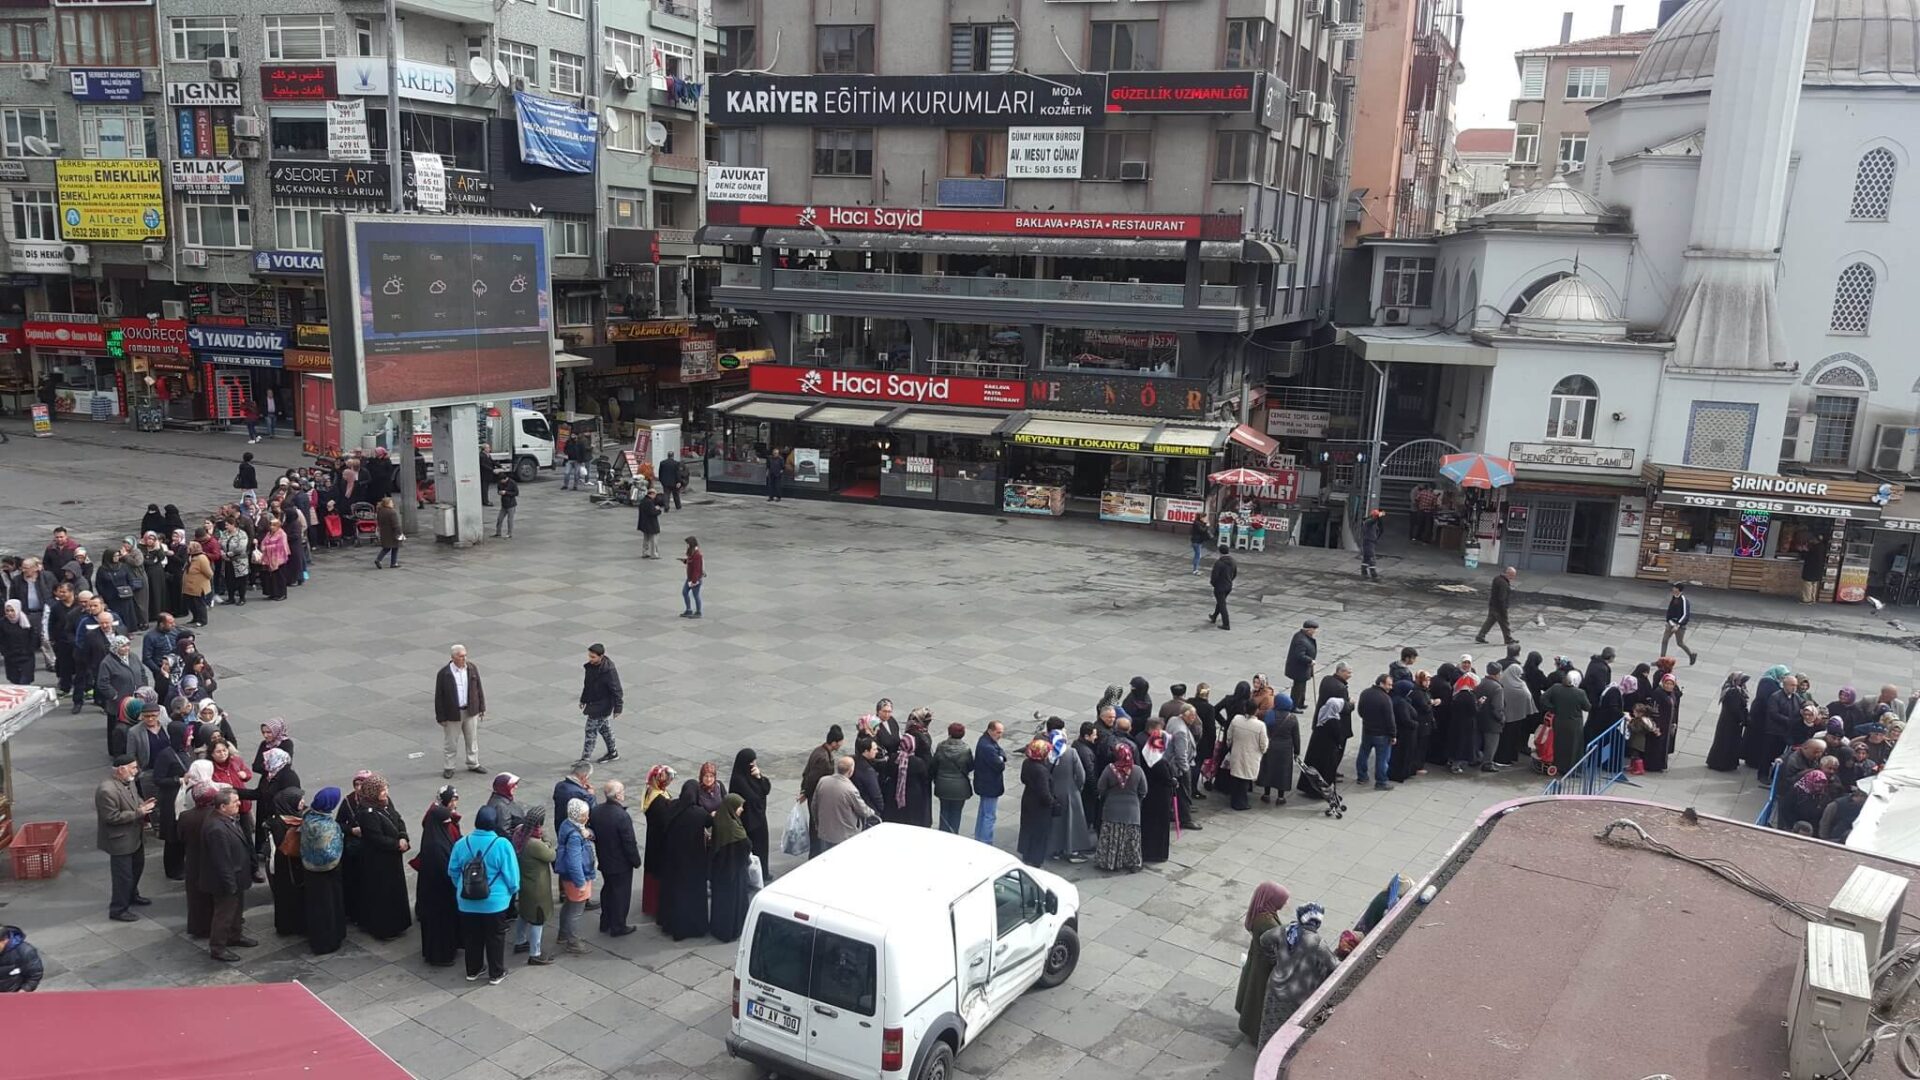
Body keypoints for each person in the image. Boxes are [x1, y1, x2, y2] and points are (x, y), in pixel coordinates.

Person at [448, 805, 519, 984]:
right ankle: (496, 973)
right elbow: (512, 876)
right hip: (495, 903)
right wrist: (511, 892)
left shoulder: (462, 843)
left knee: (472, 937)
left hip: (466, 901)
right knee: (495, 937)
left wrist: (462, 887)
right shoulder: (502, 844)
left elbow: (452, 870)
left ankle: (473, 970)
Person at [1258, 904, 1338, 1048]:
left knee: (1270, 1029)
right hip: (1298, 996)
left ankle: (1263, 1055)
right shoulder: (1317, 942)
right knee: (1288, 1034)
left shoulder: (1285, 930)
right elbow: (1335, 966)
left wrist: (1273, 958)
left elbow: (1264, 939)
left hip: (1275, 990)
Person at [354, 775, 412, 941]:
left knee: (395, 890)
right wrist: (396, 844)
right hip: (379, 860)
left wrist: (403, 836)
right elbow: (375, 838)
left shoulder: (385, 802)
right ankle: (385, 928)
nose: (386, 792)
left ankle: (399, 923)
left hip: (392, 857)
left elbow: (398, 818)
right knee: (383, 894)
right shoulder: (367, 813)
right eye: (382, 790)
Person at [96, 755, 152, 922]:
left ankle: (132, 895)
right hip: (120, 840)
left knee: (137, 868)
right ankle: (118, 909)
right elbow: (111, 817)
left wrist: (142, 804)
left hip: (135, 837)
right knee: (123, 877)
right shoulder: (106, 791)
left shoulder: (129, 781)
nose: (136, 771)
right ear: (121, 769)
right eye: (133, 767)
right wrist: (138, 813)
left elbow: (135, 798)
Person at [203, 789, 256, 961]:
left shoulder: (228, 819)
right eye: (235, 802)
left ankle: (235, 935)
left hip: (238, 875)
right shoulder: (216, 828)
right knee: (224, 914)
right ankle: (218, 948)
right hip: (226, 880)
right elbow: (222, 860)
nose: (239, 803)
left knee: (236, 910)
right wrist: (230, 884)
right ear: (223, 807)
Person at [1236, 882, 1293, 1042]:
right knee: (1259, 998)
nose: (1284, 904)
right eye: (1282, 900)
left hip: (1258, 962)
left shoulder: (1261, 914)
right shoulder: (1266, 922)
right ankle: (1256, 1033)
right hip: (1264, 968)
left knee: (1253, 994)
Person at [588, 781, 642, 938]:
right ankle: (618, 926)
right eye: (622, 790)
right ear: (618, 795)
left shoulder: (596, 811)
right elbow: (629, 842)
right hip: (620, 864)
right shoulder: (622, 816)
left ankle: (605, 921)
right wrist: (636, 861)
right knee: (621, 895)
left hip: (605, 860)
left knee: (608, 891)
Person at [660, 780, 712, 942]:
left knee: (676, 894)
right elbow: (709, 822)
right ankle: (694, 927)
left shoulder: (673, 806)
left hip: (674, 859)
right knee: (693, 895)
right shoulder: (699, 813)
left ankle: (674, 926)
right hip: (694, 860)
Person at [415, 786, 461, 966]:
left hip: (434, 893)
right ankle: (441, 956)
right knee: (440, 926)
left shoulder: (433, 838)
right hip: (439, 894)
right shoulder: (436, 846)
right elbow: (444, 869)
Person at [511, 807, 555, 965]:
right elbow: (551, 855)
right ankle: (535, 954)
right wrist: (547, 840)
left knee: (524, 914)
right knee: (538, 919)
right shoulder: (534, 844)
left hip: (524, 883)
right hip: (537, 887)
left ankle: (520, 941)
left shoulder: (519, 833)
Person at [434, 644, 486, 779]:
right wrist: (441, 717)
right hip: (453, 713)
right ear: (453, 657)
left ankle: (473, 763)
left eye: (465, 655)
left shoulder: (471, 668)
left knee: (472, 739)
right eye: (461, 656)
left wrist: (481, 707)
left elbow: (478, 688)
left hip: (470, 710)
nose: (464, 658)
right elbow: (439, 697)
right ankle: (449, 767)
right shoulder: (444, 673)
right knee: (451, 742)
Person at [1095, 741, 1147, 872]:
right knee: (1132, 838)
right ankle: (1133, 863)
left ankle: (1109, 862)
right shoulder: (1138, 770)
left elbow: (1100, 788)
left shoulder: (1109, 769)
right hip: (1132, 810)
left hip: (1112, 809)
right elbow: (1143, 790)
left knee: (1111, 837)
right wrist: (1137, 800)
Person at [264, 785, 307, 938]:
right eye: (299, 800)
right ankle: (289, 925)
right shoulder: (279, 824)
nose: (303, 802)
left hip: (293, 864)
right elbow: (284, 846)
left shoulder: (296, 816)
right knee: (287, 895)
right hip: (286, 864)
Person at [1046, 720, 1091, 862]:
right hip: (1070, 791)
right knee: (1073, 822)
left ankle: (1055, 850)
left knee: (1056, 823)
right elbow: (1081, 775)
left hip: (1053, 792)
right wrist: (1077, 788)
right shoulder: (1071, 752)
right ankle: (1072, 851)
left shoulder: (1047, 754)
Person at [815, 756, 880, 853]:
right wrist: (872, 812)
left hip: (825, 832)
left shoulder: (822, 781)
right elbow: (863, 810)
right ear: (850, 771)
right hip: (844, 835)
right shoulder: (850, 789)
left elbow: (814, 805)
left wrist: (818, 824)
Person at [710, 794, 752, 943]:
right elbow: (746, 845)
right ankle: (732, 930)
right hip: (735, 872)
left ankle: (719, 929)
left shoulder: (719, 819)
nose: (741, 810)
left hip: (720, 870)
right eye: (739, 807)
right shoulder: (734, 828)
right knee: (733, 902)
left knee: (721, 902)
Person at [556, 798, 595, 954]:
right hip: (577, 878)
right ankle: (573, 942)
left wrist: (588, 833)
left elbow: (589, 833)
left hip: (568, 877)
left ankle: (563, 934)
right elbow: (574, 862)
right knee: (576, 911)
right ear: (577, 816)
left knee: (569, 905)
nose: (587, 817)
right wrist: (581, 883)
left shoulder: (568, 824)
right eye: (584, 815)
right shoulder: (574, 836)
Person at [800, 726, 844, 856]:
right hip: (817, 797)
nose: (841, 744)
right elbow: (812, 779)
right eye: (840, 742)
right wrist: (805, 793)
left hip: (814, 794)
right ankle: (815, 854)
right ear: (834, 743)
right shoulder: (823, 759)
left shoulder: (819, 751)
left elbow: (806, 773)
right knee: (817, 827)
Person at [639, 767, 675, 916]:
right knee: (658, 872)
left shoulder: (650, 792)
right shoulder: (659, 801)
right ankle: (656, 906)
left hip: (653, 837)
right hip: (661, 840)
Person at [578, 643, 623, 763]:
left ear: (601, 656)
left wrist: (618, 708)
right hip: (594, 702)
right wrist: (583, 699)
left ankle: (585, 759)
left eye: (593, 657)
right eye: (589, 656)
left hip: (603, 705)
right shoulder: (591, 667)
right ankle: (613, 752)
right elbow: (587, 685)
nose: (590, 659)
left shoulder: (608, 671)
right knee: (604, 729)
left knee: (590, 730)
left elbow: (617, 689)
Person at [1013, 740, 1054, 868]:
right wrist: (1052, 802)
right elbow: (1044, 793)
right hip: (1039, 806)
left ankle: (1026, 854)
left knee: (1027, 828)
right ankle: (1035, 859)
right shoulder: (1041, 770)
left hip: (1028, 799)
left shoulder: (1027, 763)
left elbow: (1023, 779)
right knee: (1039, 833)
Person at [1255, 690, 1299, 805]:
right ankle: (1280, 797)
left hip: (1270, 746)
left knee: (1268, 769)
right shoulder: (1292, 718)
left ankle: (1266, 794)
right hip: (1285, 749)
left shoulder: (1269, 714)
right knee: (1282, 772)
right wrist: (1297, 751)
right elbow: (1296, 737)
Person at [1544, 669, 1590, 777]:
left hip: (1559, 722)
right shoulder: (1580, 693)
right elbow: (1587, 707)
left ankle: (1559, 765)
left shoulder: (1556, 688)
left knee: (1559, 745)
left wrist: (1552, 708)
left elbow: (1543, 698)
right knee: (1574, 747)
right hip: (1574, 725)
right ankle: (1572, 769)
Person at [1139, 723, 1175, 863]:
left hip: (1149, 796)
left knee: (1148, 824)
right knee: (1159, 826)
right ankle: (1158, 853)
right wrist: (1173, 782)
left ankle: (1146, 850)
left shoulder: (1146, 755)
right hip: (1160, 798)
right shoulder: (1160, 762)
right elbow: (1167, 779)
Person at [1224, 705, 1270, 811]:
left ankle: (1234, 800)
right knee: (1245, 779)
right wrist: (1263, 751)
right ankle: (1241, 803)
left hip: (1237, 752)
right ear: (1256, 711)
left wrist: (1230, 746)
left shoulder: (1236, 720)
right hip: (1251, 755)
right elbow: (1263, 743)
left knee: (1236, 777)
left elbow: (1229, 736)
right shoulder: (1260, 725)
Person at [1355, 674, 1396, 790]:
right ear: (1381, 684)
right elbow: (1390, 719)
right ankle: (1381, 782)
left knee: (1363, 753)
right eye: (1389, 685)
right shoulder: (1385, 699)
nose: (1391, 687)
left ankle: (1362, 777)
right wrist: (1393, 734)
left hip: (1367, 730)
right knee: (1382, 759)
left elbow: (1360, 711)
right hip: (1382, 734)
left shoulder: (1365, 693)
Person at [932, 722, 974, 834]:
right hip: (960, 787)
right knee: (956, 812)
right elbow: (970, 766)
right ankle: (954, 834)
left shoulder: (941, 747)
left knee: (944, 811)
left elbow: (934, 765)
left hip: (943, 785)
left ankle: (943, 834)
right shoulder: (966, 749)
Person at [972, 721, 1006, 846]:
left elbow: (1001, 752)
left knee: (983, 812)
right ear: (990, 731)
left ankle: (979, 837)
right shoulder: (988, 747)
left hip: (984, 783)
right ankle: (986, 841)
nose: (1000, 735)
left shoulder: (986, 740)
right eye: (998, 732)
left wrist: (1001, 757)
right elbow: (999, 765)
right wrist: (1001, 758)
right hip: (990, 785)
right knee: (989, 815)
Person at [1476, 567, 1518, 645]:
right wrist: (1503, 609)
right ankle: (1508, 639)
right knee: (1504, 623)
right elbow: (1502, 598)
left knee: (1490, 621)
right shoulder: (1504, 583)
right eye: (1512, 575)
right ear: (1508, 574)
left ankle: (1480, 636)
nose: (1513, 577)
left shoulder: (1497, 578)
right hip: (1499, 607)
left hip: (1493, 604)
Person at [553, 761, 595, 838]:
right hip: (577, 831)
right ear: (584, 777)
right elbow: (593, 811)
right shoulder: (583, 795)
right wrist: (591, 795)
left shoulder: (559, 786)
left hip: (560, 825)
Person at [1661, 583, 1700, 665]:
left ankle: (1691, 655)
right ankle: (1662, 660)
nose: (1673, 589)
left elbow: (1685, 614)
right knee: (1664, 640)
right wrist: (1669, 621)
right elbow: (1669, 611)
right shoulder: (1674, 598)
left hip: (1680, 626)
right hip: (1671, 623)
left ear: (1678, 589)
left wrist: (1678, 625)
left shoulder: (1684, 600)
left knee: (1680, 643)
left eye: (1674, 588)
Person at [1285, 621, 1319, 713]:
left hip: (1302, 668)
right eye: (1314, 629)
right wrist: (1310, 660)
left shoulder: (1302, 636)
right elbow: (1300, 655)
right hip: (1298, 669)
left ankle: (1300, 703)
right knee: (1297, 688)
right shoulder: (1301, 640)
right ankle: (1293, 706)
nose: (1315, 631)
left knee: (1302, 686)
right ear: (1309, 630)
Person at [0, 925, 43, 993]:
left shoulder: (25, 952)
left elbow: (35, 975)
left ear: (5, 940)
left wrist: (23, 991)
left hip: (13, 994)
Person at [256, 519, 290, 601]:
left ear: (278, 526)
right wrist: (263, 546)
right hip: (269, 559)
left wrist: (267, 547)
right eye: (271, 525)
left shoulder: (282, 534)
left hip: (279, 559)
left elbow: (281, 546)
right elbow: (264, 542)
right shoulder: (269, 533)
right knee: (272, 577)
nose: (272, 527)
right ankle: (273, 593)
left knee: (280, 577)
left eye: (274, 525)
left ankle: (282, 594)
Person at [180, 543, 213, 627]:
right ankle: (195, 618)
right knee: (191, 604)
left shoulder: (202, 558)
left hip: (198, 586)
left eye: (189, 548)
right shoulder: (191, 557)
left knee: (199, 604)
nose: (187, 549)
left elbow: (209, 573)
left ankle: (202, 620)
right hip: (189, 587)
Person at [485, 773, 525, 837]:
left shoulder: (498, 799)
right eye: (512, 785)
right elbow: (504, 831)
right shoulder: (501, 806)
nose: (516, 787)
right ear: (504, 787)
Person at [1209, 543, 1237, 630]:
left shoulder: (1219, 563)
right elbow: (1234, 574)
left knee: (1222, 605)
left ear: (1220, 552)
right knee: (1221, 602)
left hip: (1220, 586)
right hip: (1228, 585)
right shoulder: (1233, 561)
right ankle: (1214, 616)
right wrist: (1230, 581)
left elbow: (1214, 576)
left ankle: (1226, 624)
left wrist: (1214, 584)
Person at [679, 536, 704, 619]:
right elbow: (691, 561)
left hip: (695, 578)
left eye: (688, 544)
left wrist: (694, 581)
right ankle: (689, 610)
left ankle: (698, 612)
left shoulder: (697, 555)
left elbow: (696, 569)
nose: (687, 545)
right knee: (684, 592)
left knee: (696, 595)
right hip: (690, 578)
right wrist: (685, 561)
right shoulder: (692, 552)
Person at [373, 497, 403, 569]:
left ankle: (379, 559)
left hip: (384, 532)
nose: (392, 504)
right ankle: (393, 563)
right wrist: (399, 532)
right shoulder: (392, 512)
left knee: (386, 548)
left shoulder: (380, 511)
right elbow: (395, 524)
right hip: (392, 533)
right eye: (391, 502)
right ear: (387, 504)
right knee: (395, 547)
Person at [636, 484, 663, 558]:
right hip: (651, 524)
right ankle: (654, 554)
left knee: (646, 539)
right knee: (654, 540)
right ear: (652, 494)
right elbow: (652, 513)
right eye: (655, 495)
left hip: (644, 523)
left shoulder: (643, 501)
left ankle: (645, 552)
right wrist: (658, 510)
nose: (655, 497)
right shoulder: (649, 502)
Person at [1802, 534, 1829, 603]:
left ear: (1815, 540)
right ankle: (1813, 599)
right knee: (1814, 584)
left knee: (1808, 584)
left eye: (1813, 539)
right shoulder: (1822, 547)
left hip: (1810, 568)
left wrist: (1805, 550)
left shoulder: (1815, 548)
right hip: (1818, 569)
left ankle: (1807, 599)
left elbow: (1808, 557)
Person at [1359, 509, 1384, 580]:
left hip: (1370, 542)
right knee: (1371, 557)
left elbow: (1379, 529)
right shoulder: (1368, 522)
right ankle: (1374, 575)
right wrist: (1380, 514)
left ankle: (1364, 572)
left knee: (1366, 558)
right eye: (1375, 516)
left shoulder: (1371, 523)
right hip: (1368, 542)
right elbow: (1374, 520)